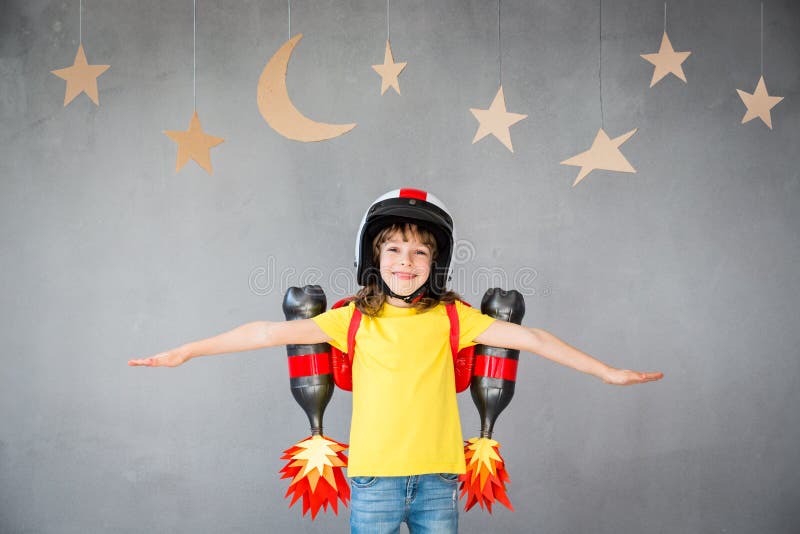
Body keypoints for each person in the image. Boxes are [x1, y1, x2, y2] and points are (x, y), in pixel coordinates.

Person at [128, 188, 663, 534]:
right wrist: (187, 351)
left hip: (438, 480)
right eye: (393, 251)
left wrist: (606, 371)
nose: (405, 262)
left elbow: (538, 340)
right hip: (374, 482)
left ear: (435, 264)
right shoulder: (351, 320)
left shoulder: (455, 318)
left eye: (419, 252)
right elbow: (265, 331)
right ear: (373, 260)